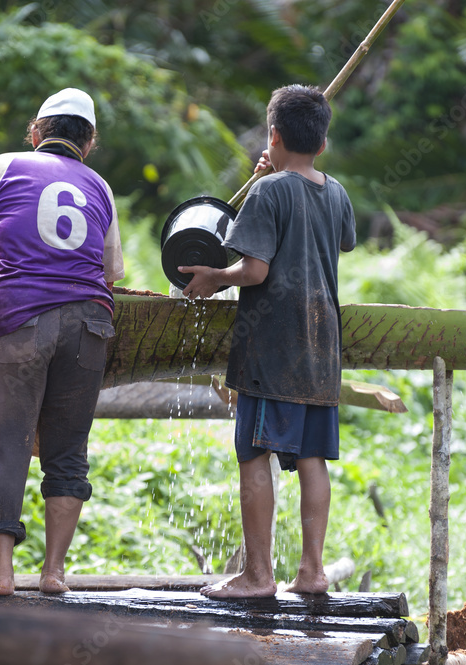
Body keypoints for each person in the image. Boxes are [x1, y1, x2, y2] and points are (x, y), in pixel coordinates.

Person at [179, 84, 356, 598]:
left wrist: (214, 277)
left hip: (273, 344)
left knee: (255, 454)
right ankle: (312, 571)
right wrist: (272, 177)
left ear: (272, 135)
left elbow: (255, 271)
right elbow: (340, 238)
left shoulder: (268, 192)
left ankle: (258, 576)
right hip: (323, 345)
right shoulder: (337, 192)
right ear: (322, 143)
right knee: (312, 458)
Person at [0, 88, 125, 596]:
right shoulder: (101, 187)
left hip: (16, 318)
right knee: (68, 451)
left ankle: (3, 575)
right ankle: (53, 573)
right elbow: (109, 274)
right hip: (89, 325)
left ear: (35, 132)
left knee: (6, 442)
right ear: (88, 143)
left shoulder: (3, 166)